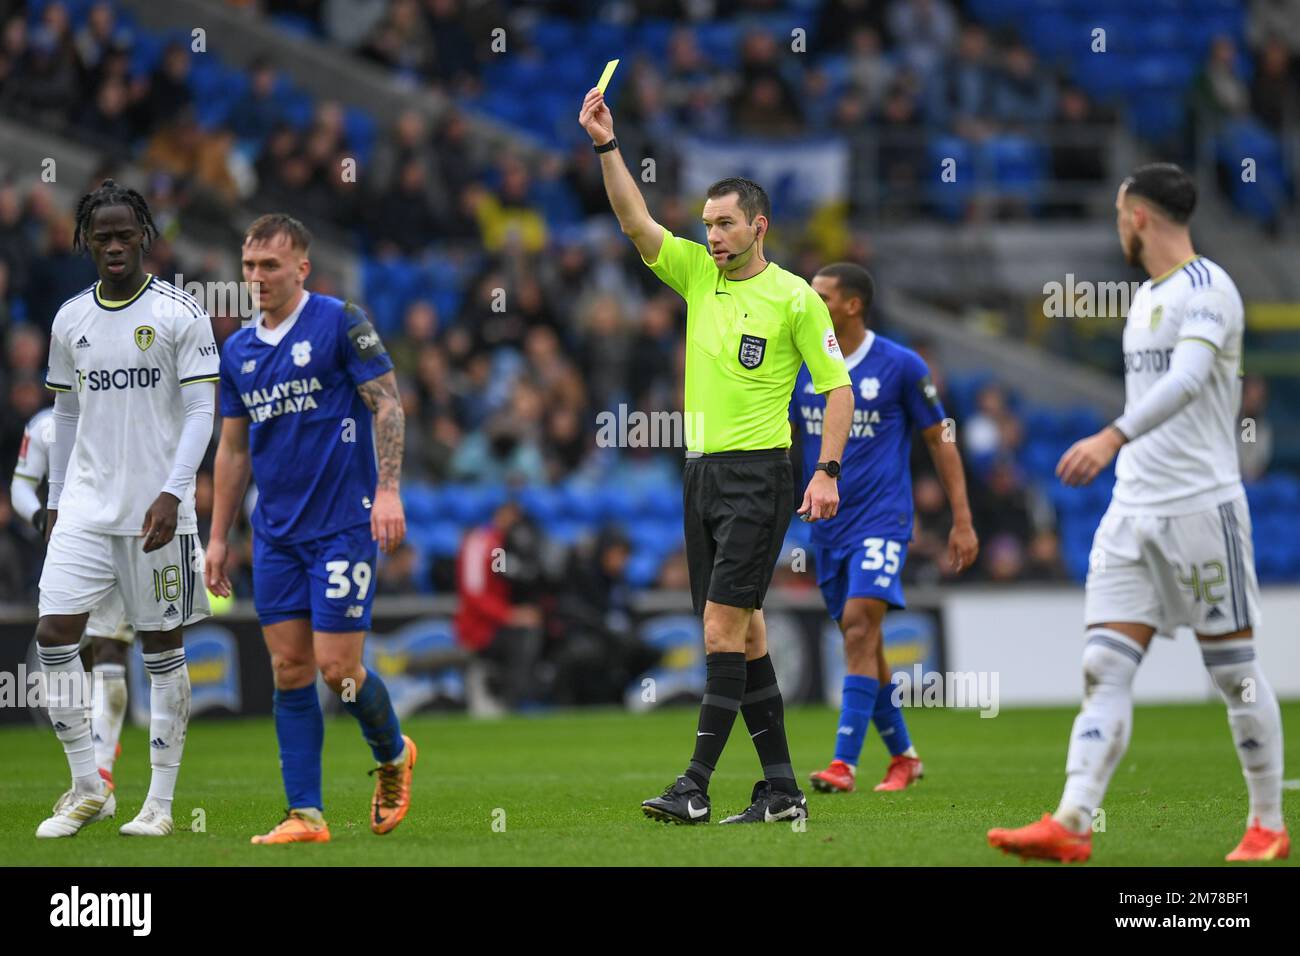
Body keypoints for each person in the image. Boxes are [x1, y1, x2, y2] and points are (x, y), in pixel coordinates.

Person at [988, 163, 1288, 863]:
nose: (1118, 225)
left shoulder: (1209, 288)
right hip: (1134, 509)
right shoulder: (1146, 297)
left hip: (1198, 508)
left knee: (1235, 672)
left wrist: (1111, 434)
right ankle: (1072, 820)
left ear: (1139, 217)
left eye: (1121, 213)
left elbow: (1188, 379)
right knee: (1102, 665)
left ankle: (1268, 823)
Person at [578, 86, 853, 825]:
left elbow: (838, 391)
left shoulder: (797, 299)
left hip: (760, 475)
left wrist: (826, 472)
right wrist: (608, 144)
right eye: (707, 225)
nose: (714, 236)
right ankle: (783, 791)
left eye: (726, 224)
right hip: (699, 474)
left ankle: (694, 786)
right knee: (749, 631)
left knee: (719, 631)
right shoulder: (698, 274)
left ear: (759, 225)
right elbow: (636, 223)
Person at [205, 214, 415, 844]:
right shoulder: (238, 350)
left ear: (302, 267)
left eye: (270, 266)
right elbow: (233, 451)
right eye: (248, 267)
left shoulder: (338, 320)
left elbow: (387, 401)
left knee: (337, 670)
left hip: (343, 526)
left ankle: (392, 754)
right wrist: (218, 537)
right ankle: (306, 815)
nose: (257, 278)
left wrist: (387, 489)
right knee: (289, 669)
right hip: (274, 534)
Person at [35, 180, 217, 838]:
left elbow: (202, 410)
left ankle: (161, 805)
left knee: (162, 648)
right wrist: (57, 501)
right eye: (101, 236)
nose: (114, 246)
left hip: (156, 510)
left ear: (145, 236)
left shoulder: (179, 313)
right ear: (85, 240)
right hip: (85, 506)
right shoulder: (69, 319)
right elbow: (66, 411)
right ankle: (89, 784)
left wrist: (174, 490)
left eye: (124, 235)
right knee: (55, 635)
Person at [794, 263, 978, 795]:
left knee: (857, 626)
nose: (810, 303)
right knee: (865, 644)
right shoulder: (801, 360)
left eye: (821, 296)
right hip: (827, 525)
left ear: (852, 305)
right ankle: (904, 756)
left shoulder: (899, 364)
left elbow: (940, 439)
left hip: (883, 520)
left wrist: (962, 519)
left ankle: (843, 764)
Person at [12, 405, 132, 788]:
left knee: (111, 646)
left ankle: (101, 767)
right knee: (59, 640)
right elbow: (20, 485)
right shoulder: (45, 425)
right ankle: (87, 753)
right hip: (72, 550)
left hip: (121, 539)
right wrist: (41, 519)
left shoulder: (122, 410)